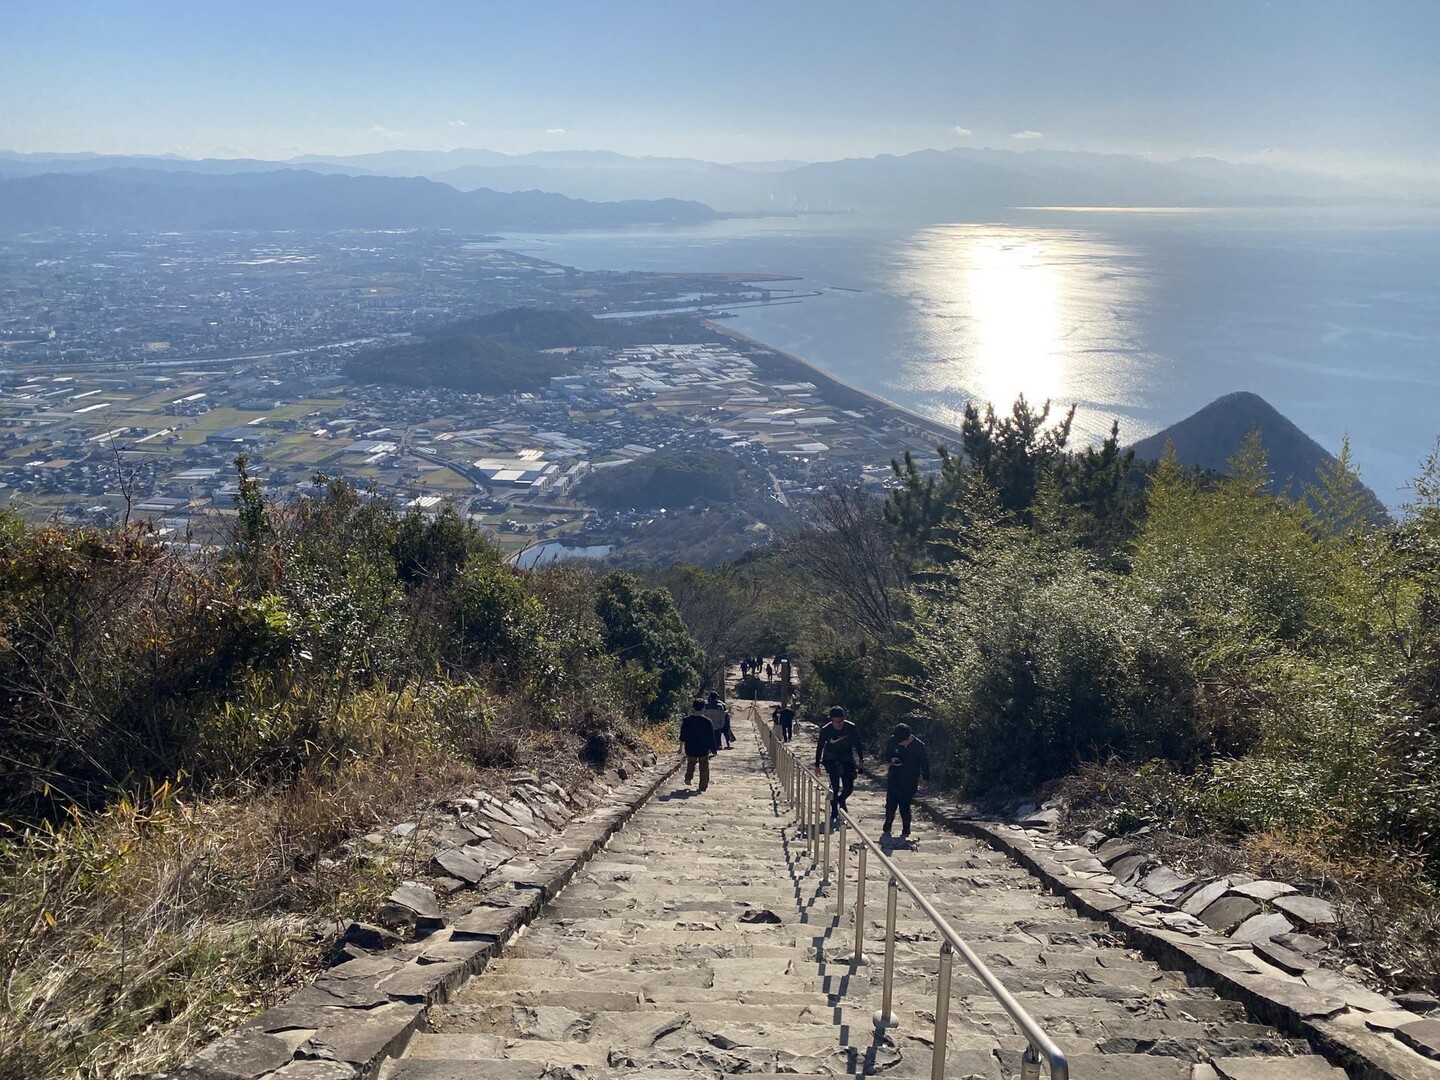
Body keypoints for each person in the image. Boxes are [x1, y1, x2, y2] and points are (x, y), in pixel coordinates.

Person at [882, 723, 931, 839]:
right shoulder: (892, 740)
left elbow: (925, 763)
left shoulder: (919, 746)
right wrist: (892, 759)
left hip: (910, 778)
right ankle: (888, 824)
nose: (899, 743)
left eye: (902, 742)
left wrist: (925, 778)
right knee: (891, 803)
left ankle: (906, 829)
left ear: (908, 738)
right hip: (894, 775)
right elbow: (887, 755)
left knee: (905, 805)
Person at [814, 705, 861, 823]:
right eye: (836, 722)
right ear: (831, 720)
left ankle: (841, 800)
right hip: (831, 758)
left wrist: (861, 759)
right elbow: (819, 746)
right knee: (834, 786)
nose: (839, 724)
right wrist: (817, 765)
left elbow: (858, 743)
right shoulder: (826, 730)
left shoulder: (851, 727)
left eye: (841, 721)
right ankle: (834, 810)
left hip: (847, 758)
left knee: (848, 786)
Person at [680, 699, 715, 792]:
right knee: (704, 767)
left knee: (691, 763)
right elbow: (711, 736)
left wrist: (680, 747)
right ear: (703, 708)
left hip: (690, 747)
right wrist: (713, 749)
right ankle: (702, 786)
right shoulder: (707, 721)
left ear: (693, 707)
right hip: (703, 748)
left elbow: (682, 735)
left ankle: (688, 778)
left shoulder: (687, 720)